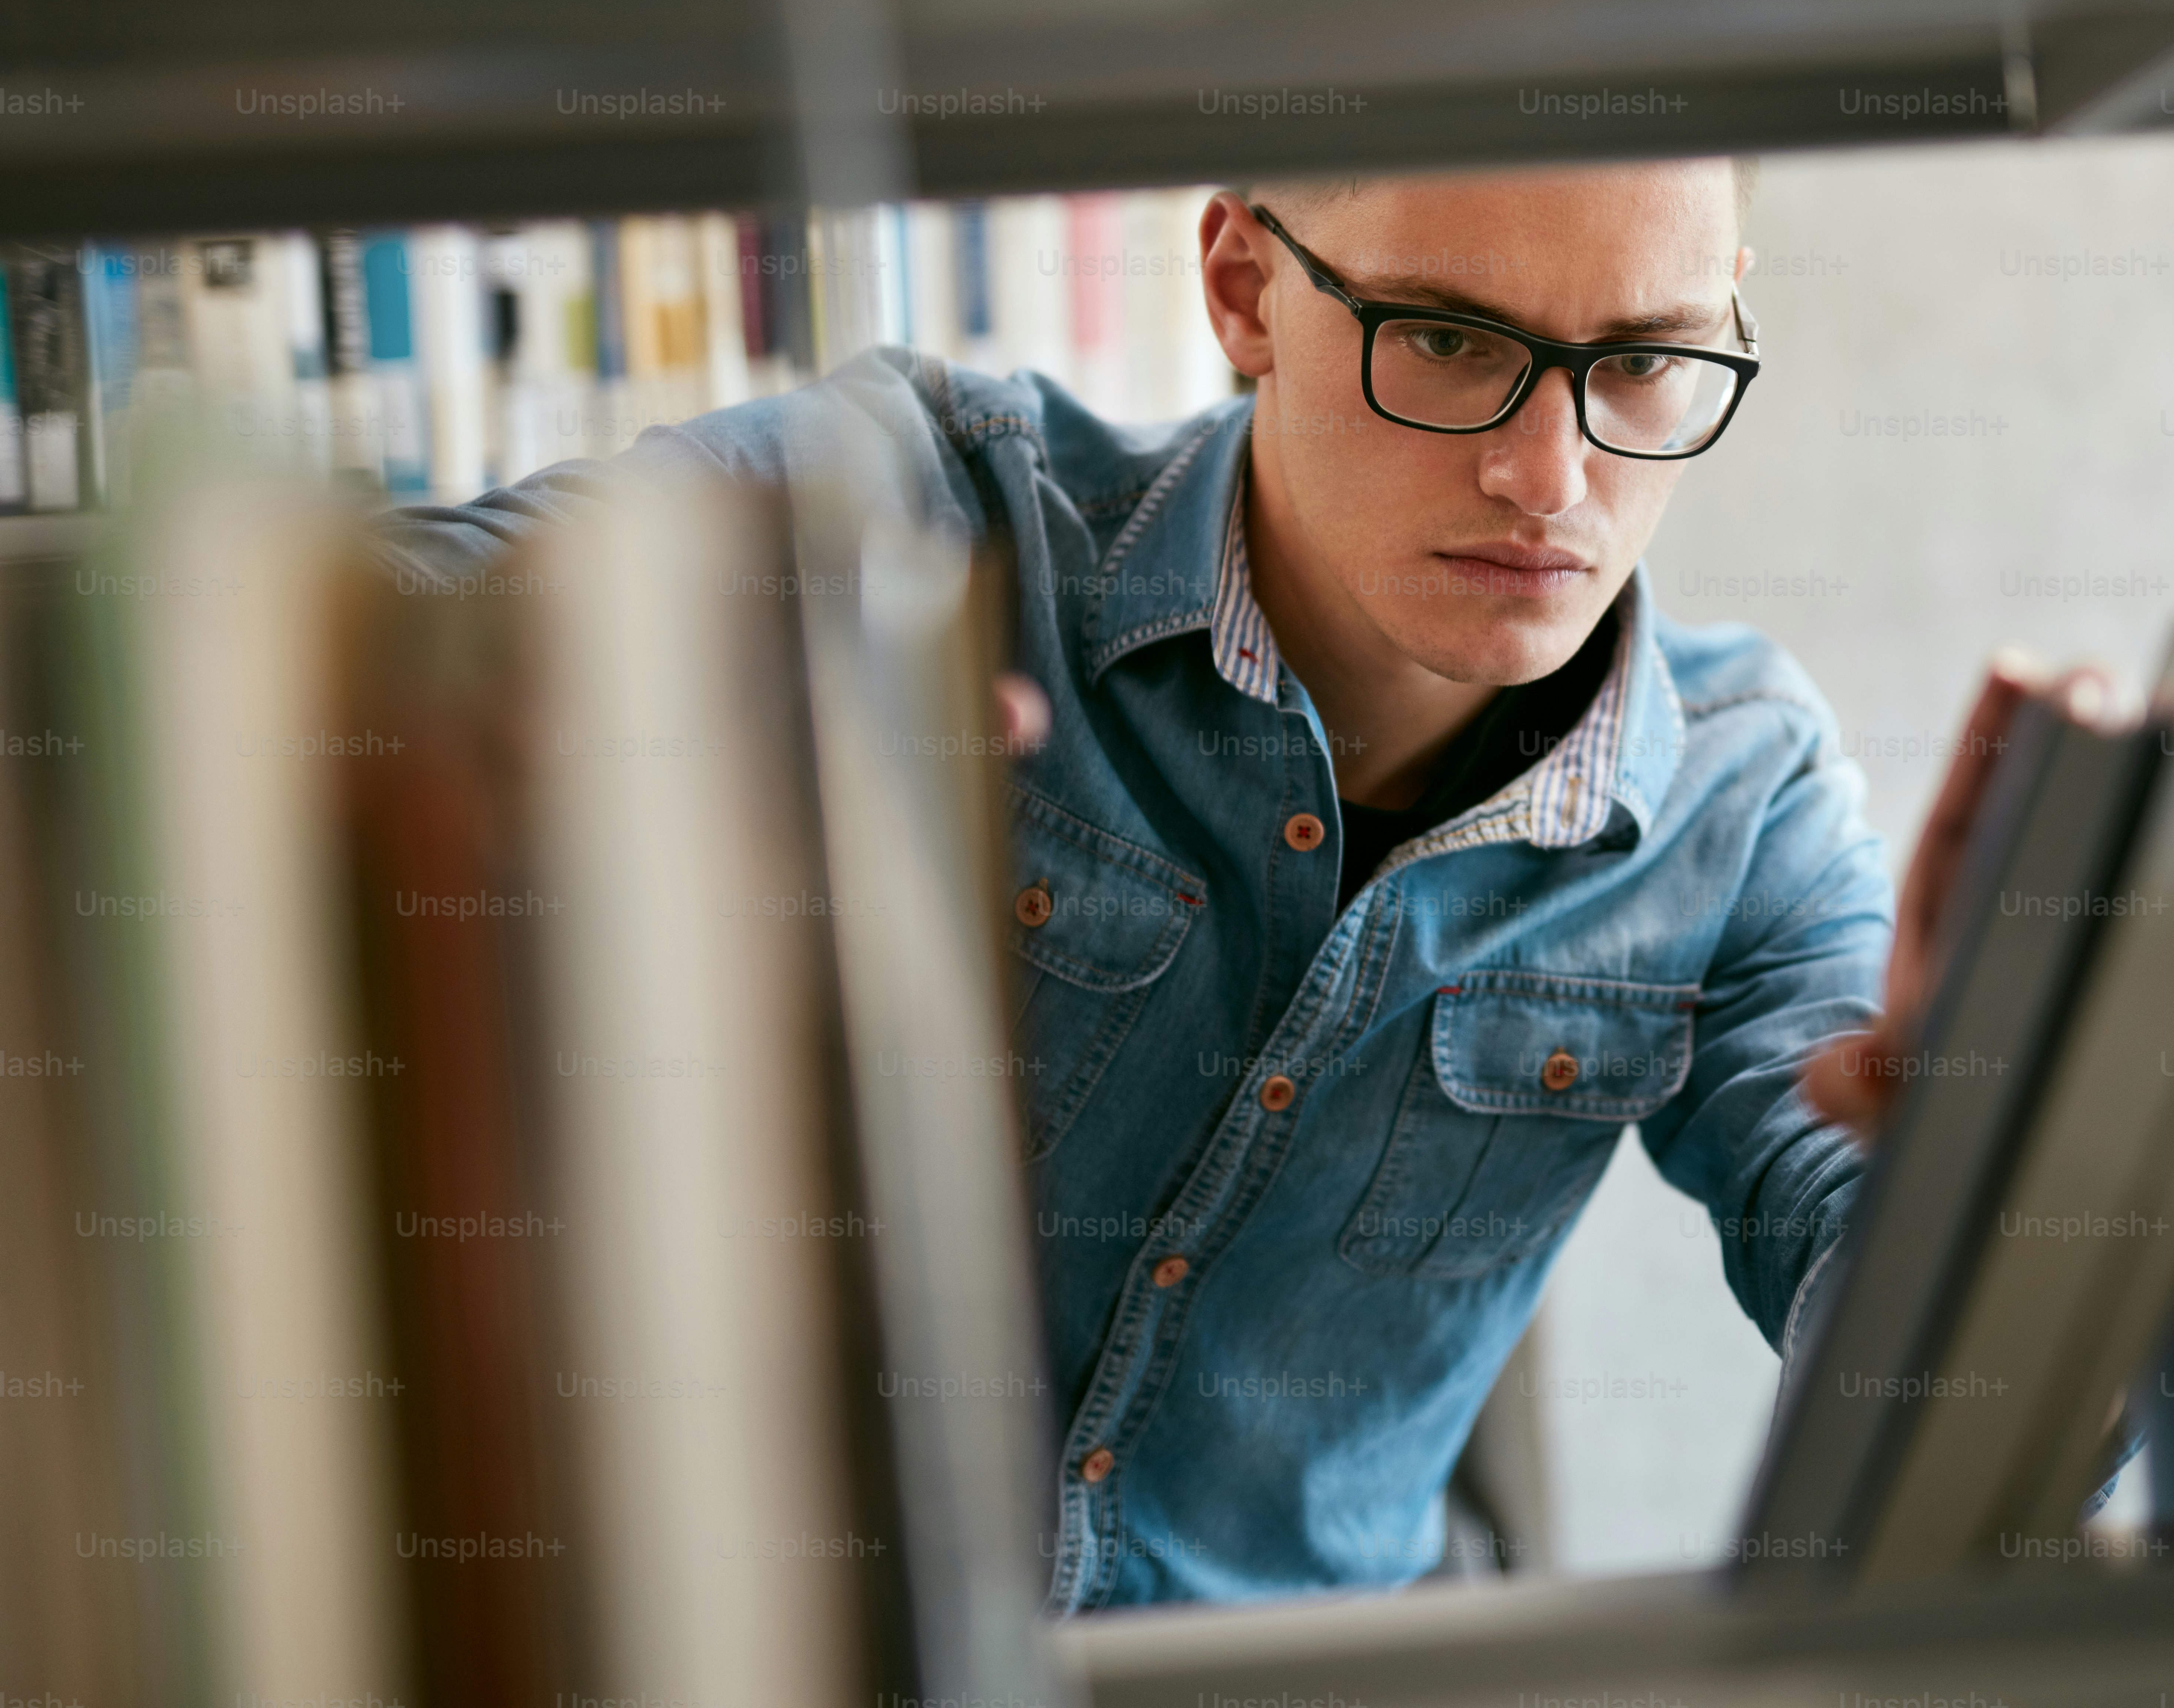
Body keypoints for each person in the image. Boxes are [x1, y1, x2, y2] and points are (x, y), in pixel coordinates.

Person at [376, 157, 1989, 1609]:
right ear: (1243, 288)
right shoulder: (936, 511)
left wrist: (1997, 1165)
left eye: (1637, 363)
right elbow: (344, 638)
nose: (1550, 478)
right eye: (1445, 341)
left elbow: (1917, 1304)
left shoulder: (1739, 785)